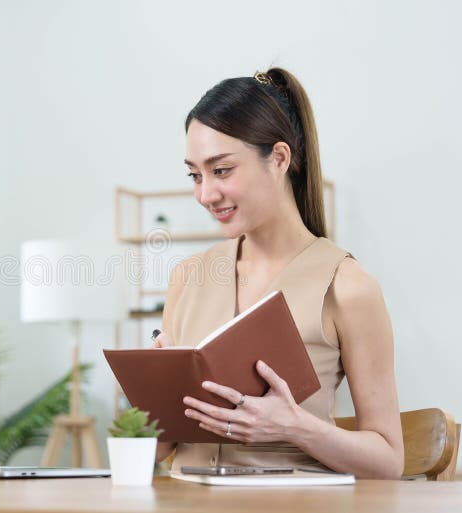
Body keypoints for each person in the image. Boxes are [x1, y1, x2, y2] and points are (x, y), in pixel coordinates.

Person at [152, 68, 404, 479]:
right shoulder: (188, 277)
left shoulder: (347, 287)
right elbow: (162, 450)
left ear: (280, 158)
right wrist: (156, 398)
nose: (205, 194)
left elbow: (389, 461)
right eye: (195, 175)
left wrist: (295, 427)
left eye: (221, 170)